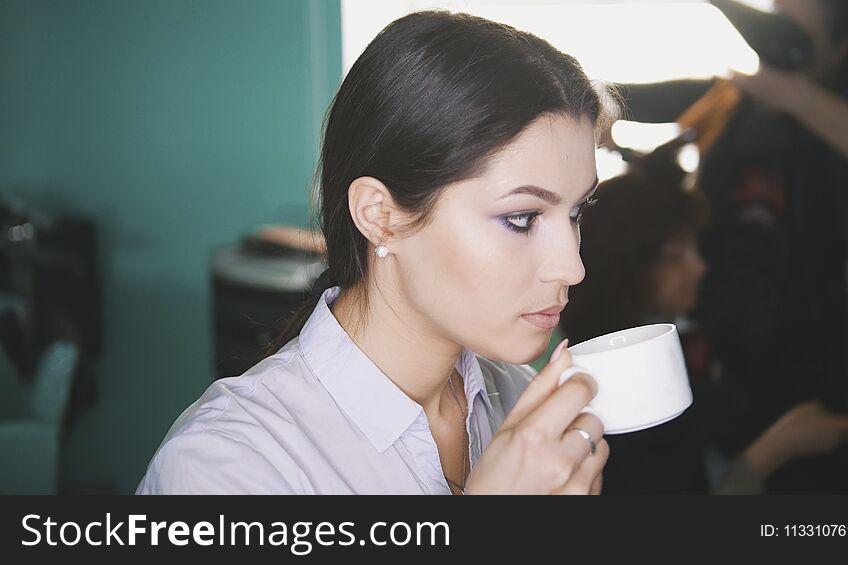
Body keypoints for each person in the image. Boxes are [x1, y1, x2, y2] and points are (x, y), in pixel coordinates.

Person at [136, 11, 612, 495]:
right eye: (522, 218)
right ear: (380, 215)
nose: (572, 267)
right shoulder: (224, 465)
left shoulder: (522, 403)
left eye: (575, 212)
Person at [613, 0, 848, 459]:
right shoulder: (729, 100)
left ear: (837, 50)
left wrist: (795, 96)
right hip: (712, 355)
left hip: (800, 368)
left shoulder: (843, 114)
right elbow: (631, 99)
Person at [560, 157, 848, 494]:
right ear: (625, 267)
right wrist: (779, 447)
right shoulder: (612, 381)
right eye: (675, 255)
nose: (700, 266)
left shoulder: (683, 342)